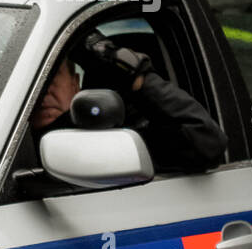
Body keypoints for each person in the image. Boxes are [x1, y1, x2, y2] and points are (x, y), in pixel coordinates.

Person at [30, 29, 228, 174]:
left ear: (76, 84)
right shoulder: (4, 144)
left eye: (52, 77)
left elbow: (206, 141)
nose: (42, 91)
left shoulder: (116, 135)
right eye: (33, 80)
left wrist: (134, 75)